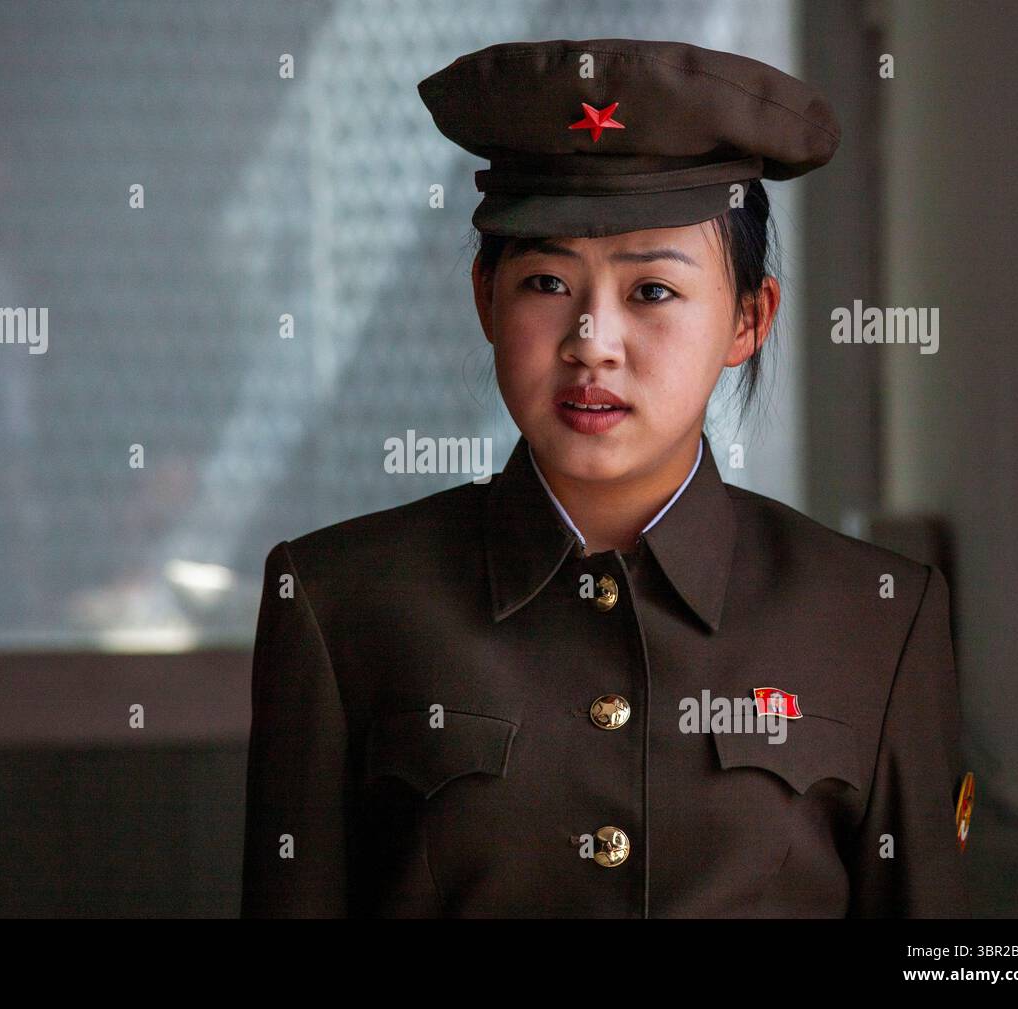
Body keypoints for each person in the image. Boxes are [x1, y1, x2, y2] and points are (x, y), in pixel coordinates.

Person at [239, 38, 972, 917]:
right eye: (547, 280)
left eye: (652, 291)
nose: (592, 339)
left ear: (749, 318)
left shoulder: (877, 616)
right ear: (485, 298)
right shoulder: (337, 601)